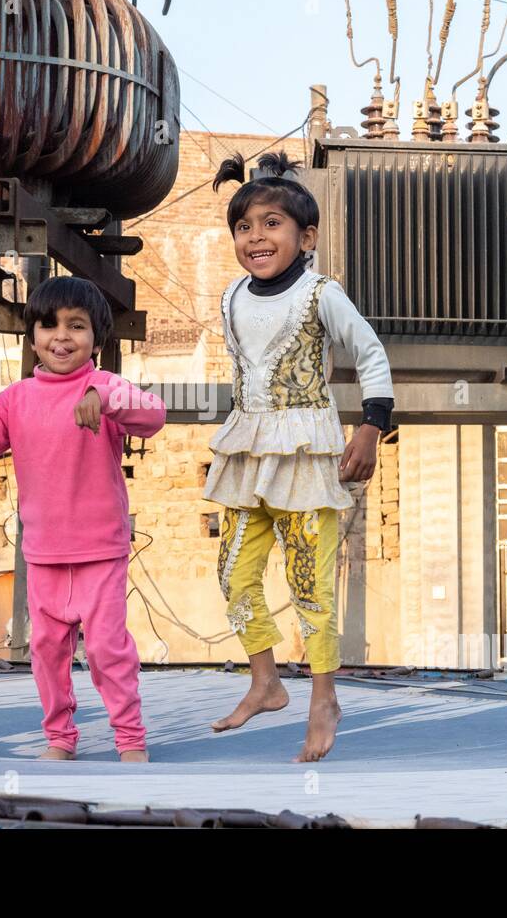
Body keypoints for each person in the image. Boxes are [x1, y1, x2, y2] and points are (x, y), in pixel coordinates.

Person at [205, 150, 395, 762]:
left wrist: (369, 428)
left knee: (310, 585)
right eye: (243, 227)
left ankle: (323, 696)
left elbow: (371, 356)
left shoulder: (321, 294)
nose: (255, 238)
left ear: (305, 236)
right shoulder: (233, 294)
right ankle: (265, 681)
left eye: (271, 224)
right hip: (246, 453)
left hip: (308, 457)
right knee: (233, 574)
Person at [0, 275, 166, 762]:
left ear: (96, 338)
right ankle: (60, 739)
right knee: (47, 651)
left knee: (109, 648)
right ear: (33, 339)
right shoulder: (16, 399)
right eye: (49, 326)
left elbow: (154, 415)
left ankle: (130, 740)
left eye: (76, 325)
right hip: (43, 554)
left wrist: (105, 399)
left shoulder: (106, 385)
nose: (61, 336)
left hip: (100, 549)